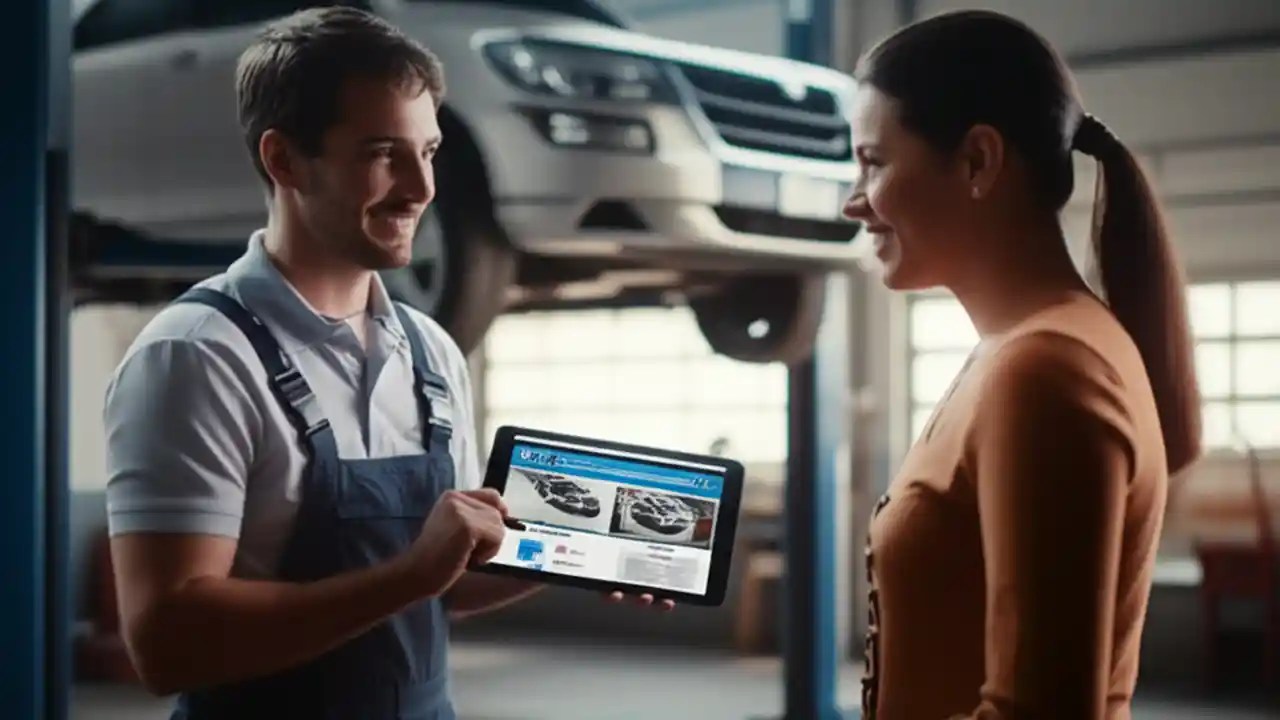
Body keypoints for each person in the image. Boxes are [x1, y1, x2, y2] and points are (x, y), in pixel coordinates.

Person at [102, 8, 668, 720]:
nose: (422, 186)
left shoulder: (430, 351)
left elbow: (444, 584)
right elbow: (167, 644)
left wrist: (578, 555)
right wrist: (409, 575)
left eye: (428, 151)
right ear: (283, 160)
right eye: (381, 153)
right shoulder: (197, 357)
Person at [842, 10, 1201, 720]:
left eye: (874, 163)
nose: (854, 202)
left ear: (978, 161)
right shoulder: (1020, 353)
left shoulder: (1045, 371)